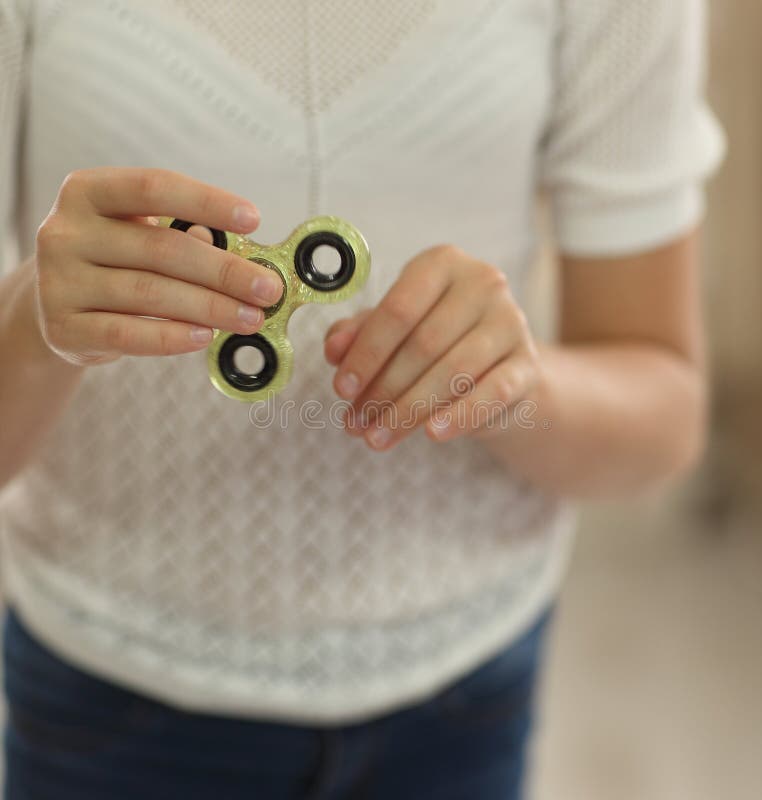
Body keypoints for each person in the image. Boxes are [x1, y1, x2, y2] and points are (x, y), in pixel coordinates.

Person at [0, 1, 724, 798]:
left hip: (465, 695)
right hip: (106, 692)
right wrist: (38, 324)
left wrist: (512, 385)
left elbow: (665, 416)